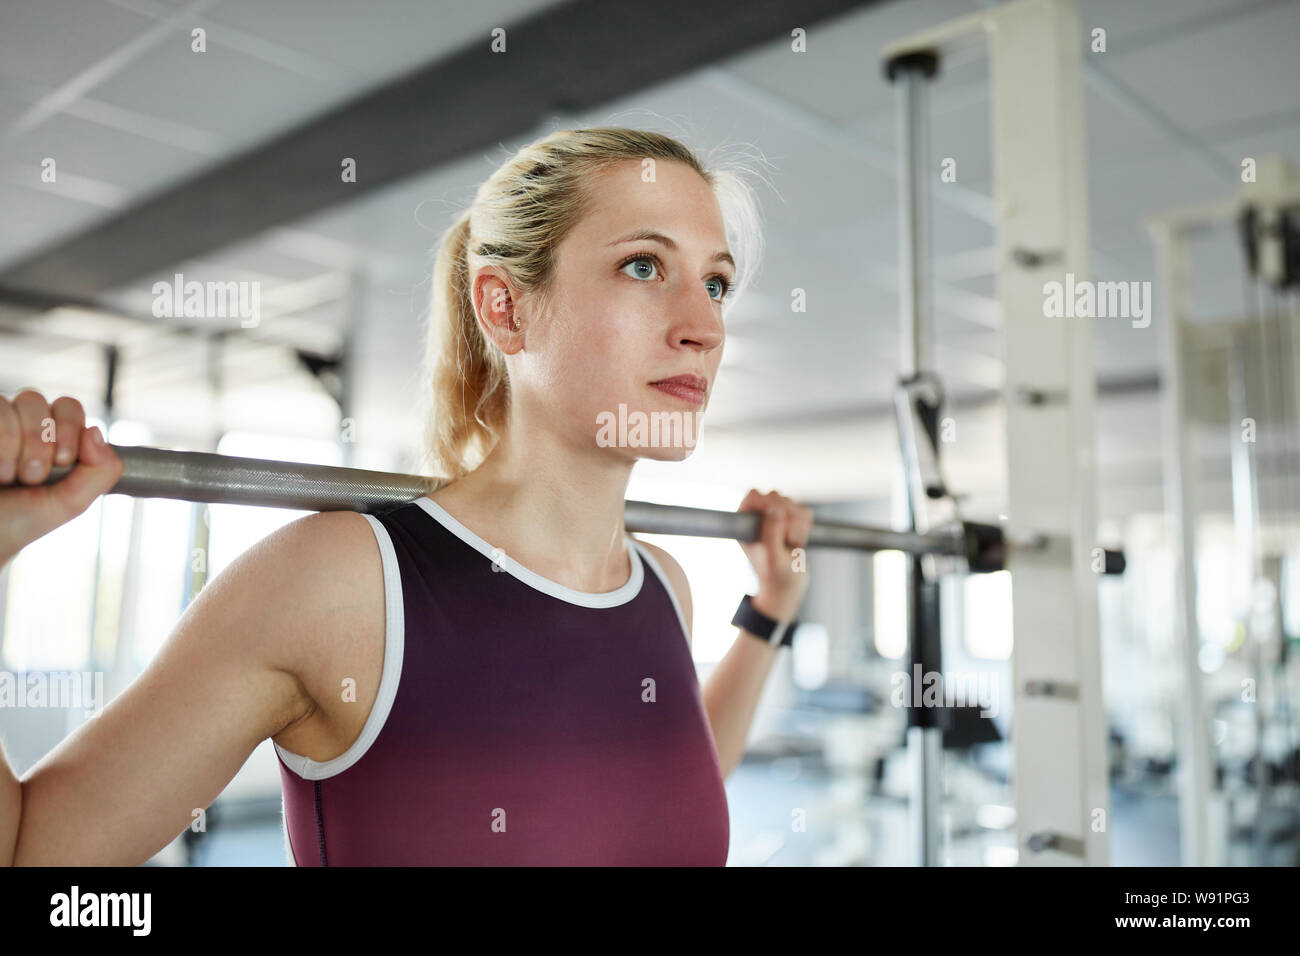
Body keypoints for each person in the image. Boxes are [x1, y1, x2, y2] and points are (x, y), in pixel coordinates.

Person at [0, 127, 813, 866]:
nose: (704, 327)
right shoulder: (340, 585)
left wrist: (769, 607)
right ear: (506, 308)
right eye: (645, 266)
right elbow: (34, 849)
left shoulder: (662, 587)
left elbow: (672, 771)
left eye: (716, 284)